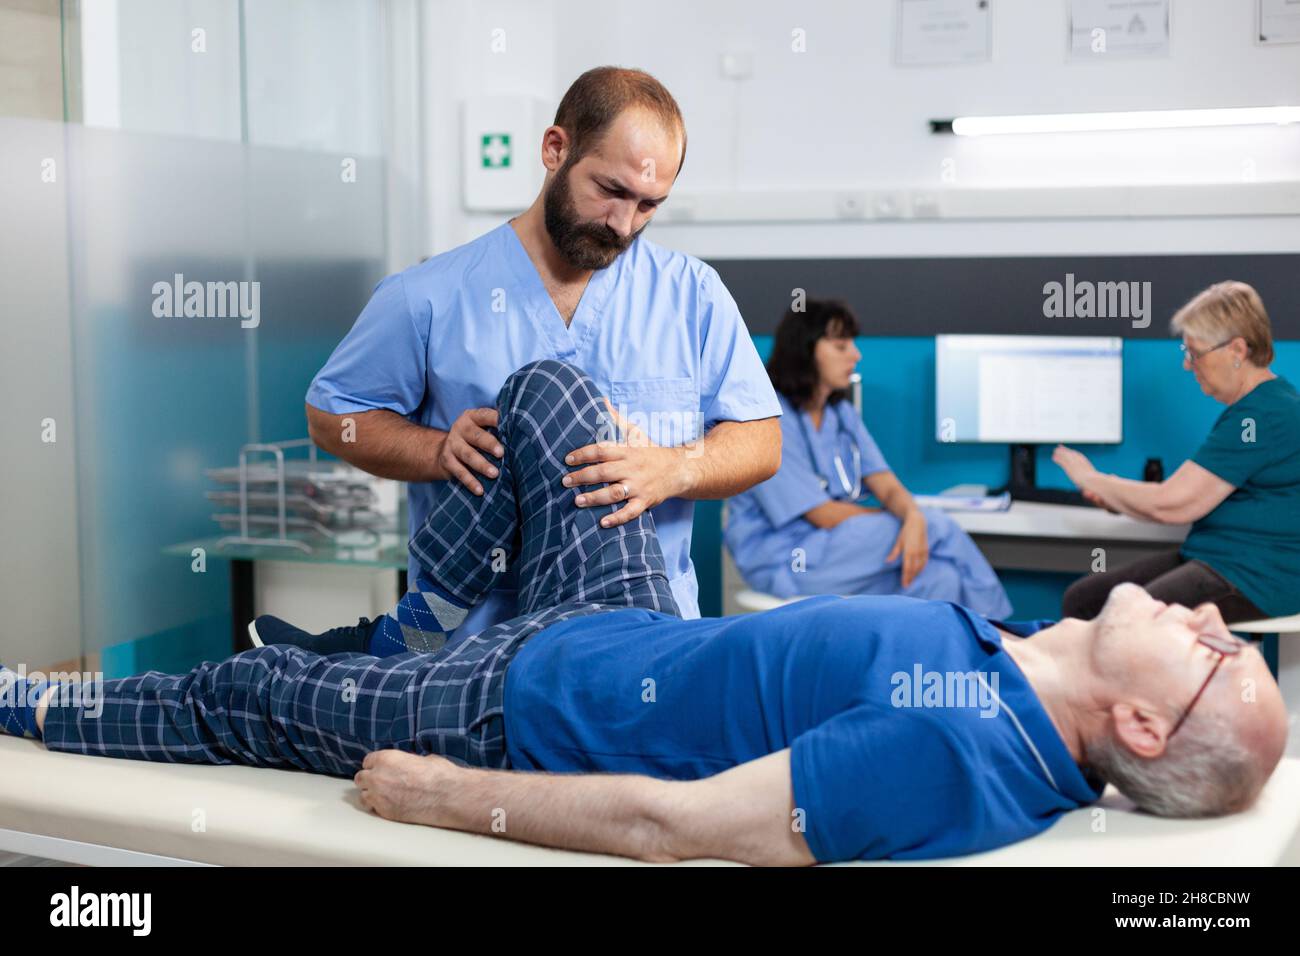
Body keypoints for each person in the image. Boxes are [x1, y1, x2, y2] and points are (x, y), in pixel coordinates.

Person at [3, 360, 1285, 865]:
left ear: (1142, 723)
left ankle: (26, 698)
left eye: (1212, 650)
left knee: (246, 695)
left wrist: (446, 792)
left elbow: (676, 826)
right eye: (1220, 634)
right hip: (621, 617)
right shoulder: (1008, 673)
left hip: (522, 705)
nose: (1205, 622)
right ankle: (424, 610)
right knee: (554, 393)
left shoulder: (957, 748)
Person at [302, 66, 781, 652]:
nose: (624, 225)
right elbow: (334, 418)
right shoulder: (428, 295)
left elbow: (761, 439)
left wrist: (674, 468)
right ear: (555, 149)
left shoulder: (692, 294)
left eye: (650, 205)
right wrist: (436, 450)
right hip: (469, 646)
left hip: (649, 642)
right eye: (609, 190)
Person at [724, 299, 1011, 616]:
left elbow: (885, 484)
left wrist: (912, 516)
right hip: (789, 560)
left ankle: (929, 664)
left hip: (839, 552)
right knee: (938, 527)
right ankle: (1004, 641)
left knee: (940, 579)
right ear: (806, 350)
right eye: (840, 345)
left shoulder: (842, 414)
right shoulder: (771, 419)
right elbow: (822, 514)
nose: (855, 355)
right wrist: (908, 521)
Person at [1055, 281, 1300, 623]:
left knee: (1126, 619)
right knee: (1084, 601)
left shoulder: (1262, 416)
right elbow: (1187, 498)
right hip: (1217, 559)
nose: (1188, 365)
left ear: (1237, 350)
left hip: (1256, 577)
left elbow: (1173, 503)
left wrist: (1092, 478)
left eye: (1195, 353)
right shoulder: (1260, 406)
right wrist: (1115, 498)